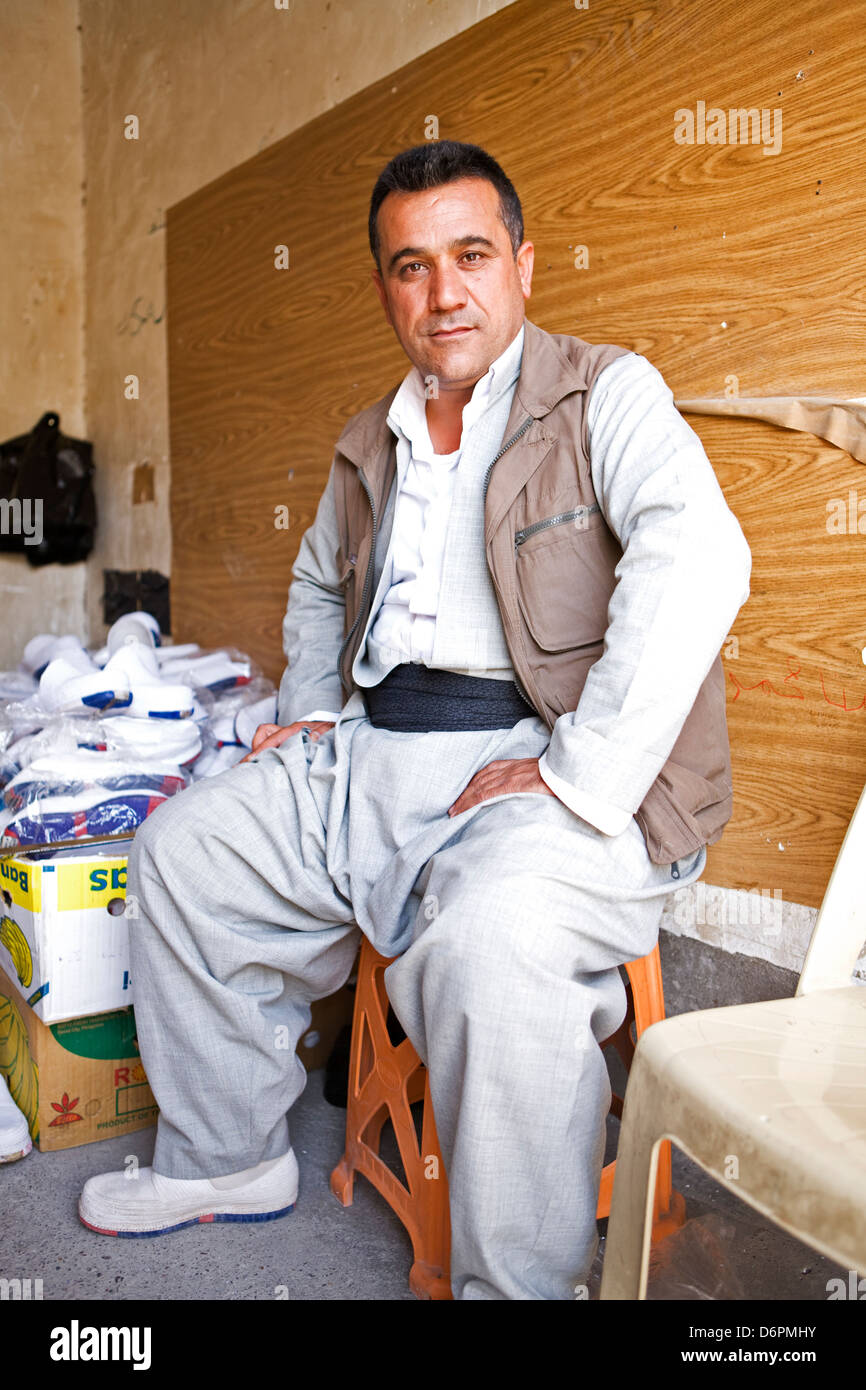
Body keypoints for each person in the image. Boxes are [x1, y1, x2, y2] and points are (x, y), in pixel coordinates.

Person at [79, 141, 751, 1300]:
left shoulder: (604, 394)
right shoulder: (368, 441)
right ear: (385, 286)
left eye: (471, 255)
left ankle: (515, 1286)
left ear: (523, 266)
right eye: (410, 266)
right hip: (371, 750)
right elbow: (312, 586)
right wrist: (309, 709)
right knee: (184, 853)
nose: (443, 293)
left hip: (536, 761)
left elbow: (696, 557)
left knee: (496, 945)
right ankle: (225, 1155)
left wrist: (577, 770)